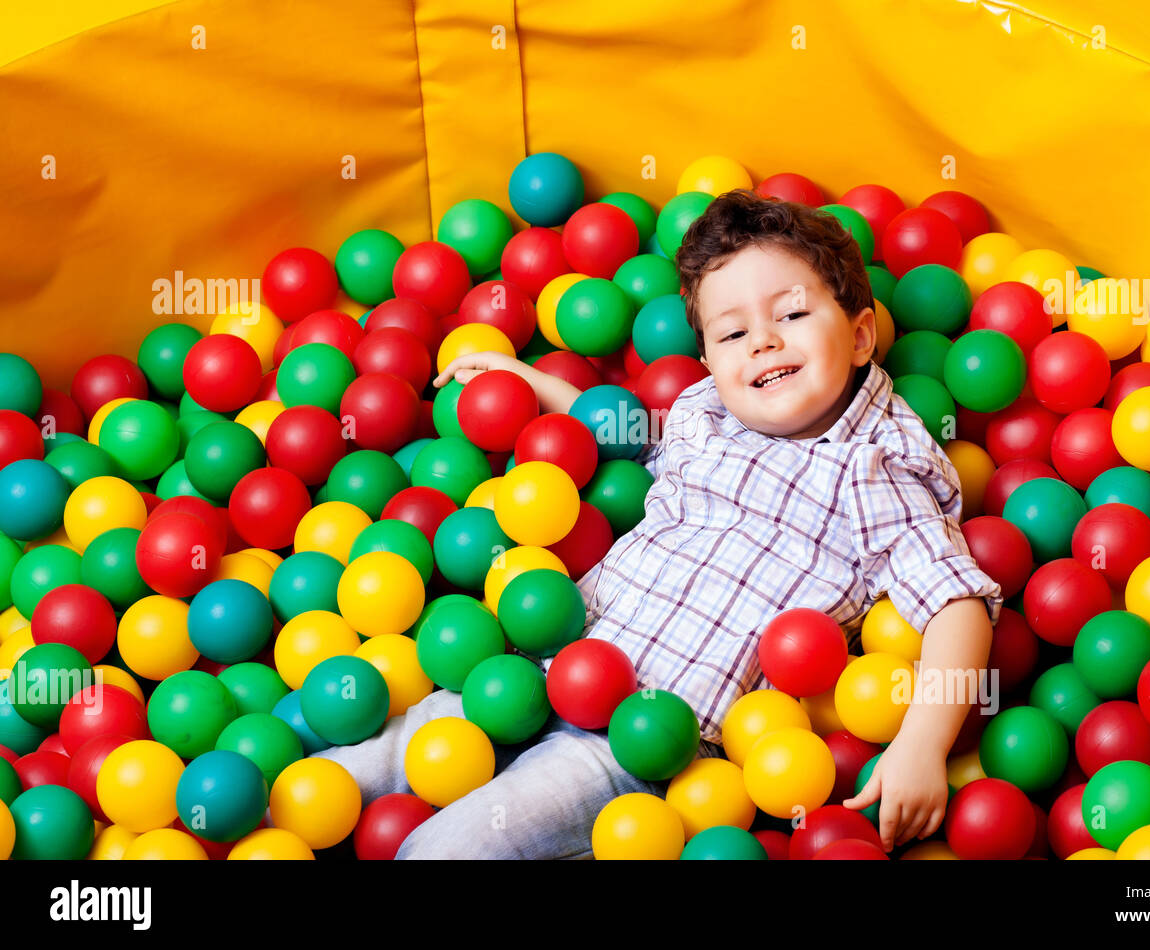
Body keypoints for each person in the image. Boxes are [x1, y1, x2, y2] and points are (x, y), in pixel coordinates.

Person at [310, 188, 1002, 858]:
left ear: (858, 336)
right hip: (535, 666)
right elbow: (636, 438)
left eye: (790, 316)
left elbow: (955, 600)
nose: (761, 341)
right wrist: (525, 384)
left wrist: (922, 743)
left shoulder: (875, 464)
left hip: (639, 734)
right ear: (708, 362)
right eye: (733, 332)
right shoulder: (707, 414)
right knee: (343, 773)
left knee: (452, 847)